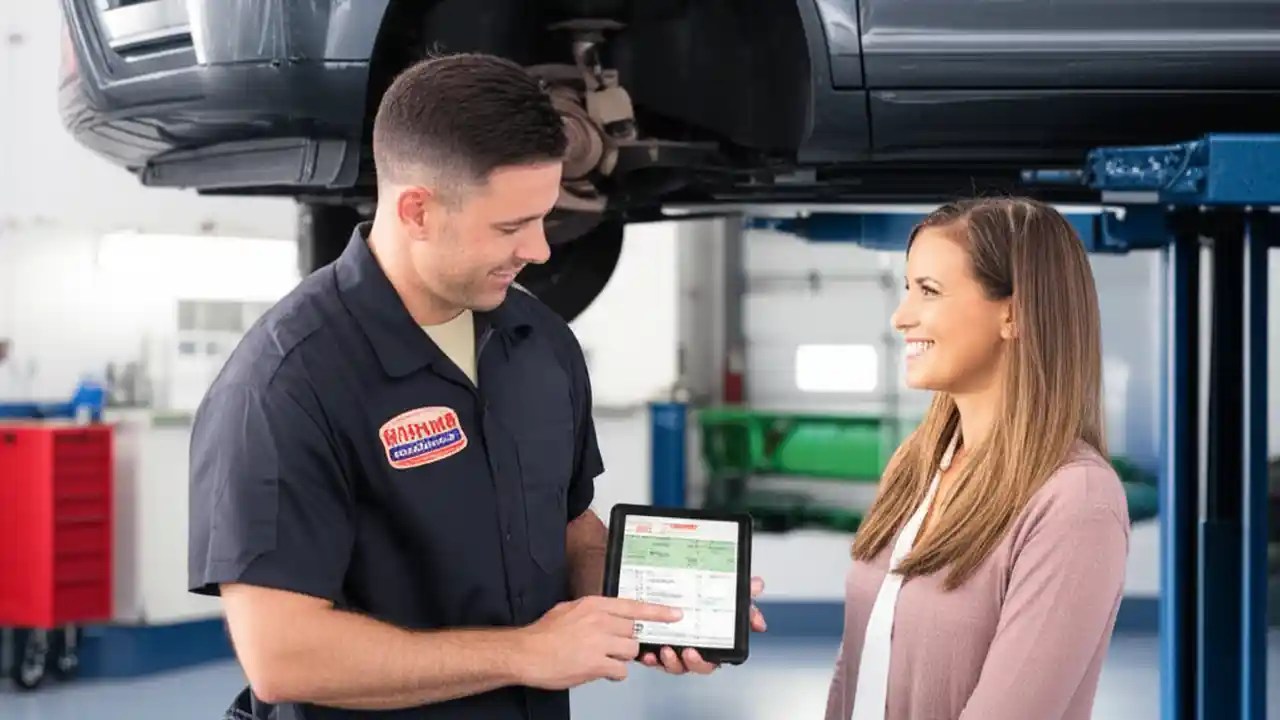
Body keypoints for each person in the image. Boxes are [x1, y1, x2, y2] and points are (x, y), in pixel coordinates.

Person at [187, 52, 764, 720]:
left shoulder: (541, 343)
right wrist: (524, 653)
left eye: (545, 218)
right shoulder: (284, 383)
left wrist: (648, 606)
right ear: (417, 210)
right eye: (511, 227)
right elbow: (283, 657)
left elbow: (570, 527)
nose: (542, 251)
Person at [824, 197, 1131, 720]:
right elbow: (857, 665)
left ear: (1013, 313)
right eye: (907, 288)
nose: (902, 317)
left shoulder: (1074, 501)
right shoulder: (915, 465)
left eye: (930, 291)